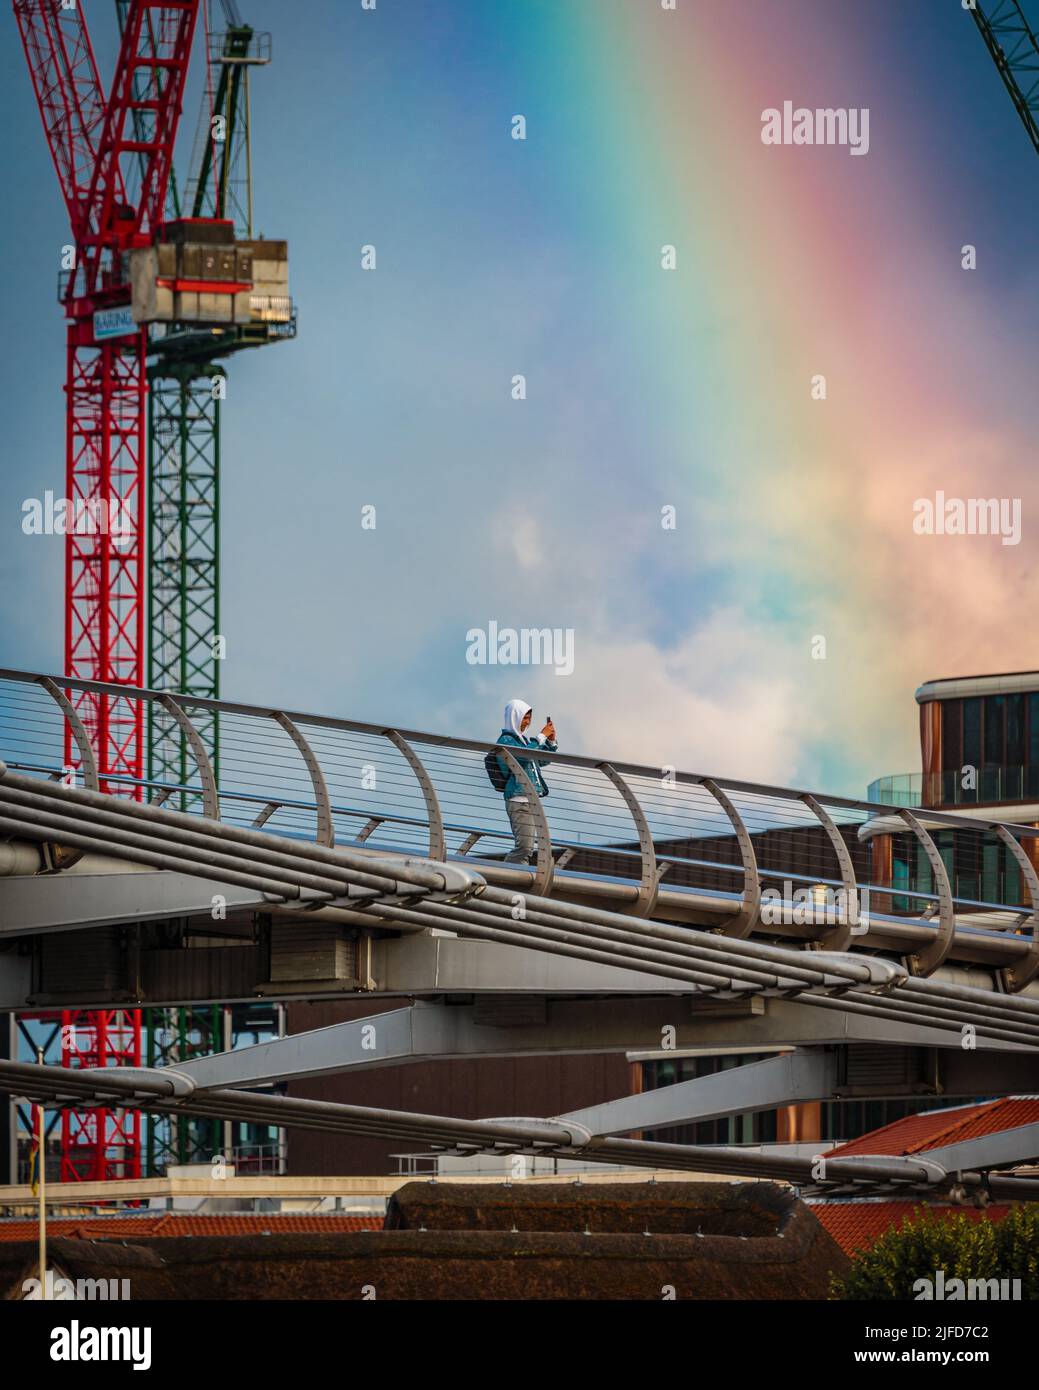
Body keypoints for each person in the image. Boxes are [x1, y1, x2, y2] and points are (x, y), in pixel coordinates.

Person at [496, 698, 557, 864]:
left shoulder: (525, 742)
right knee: (524, 847)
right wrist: (540, 737)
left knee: (528, 848)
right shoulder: (506, 741)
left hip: (531, 800)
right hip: (519, 800)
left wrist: (550, 741)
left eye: (529, 718)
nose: (528, 722)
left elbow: (542, 761)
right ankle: (505, 876)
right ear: (514, 717)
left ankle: (517, 879)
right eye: (524, 717)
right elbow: (523, 756)